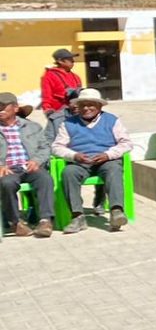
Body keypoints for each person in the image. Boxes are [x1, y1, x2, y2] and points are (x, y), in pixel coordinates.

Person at [51, 88, 131, 233]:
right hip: (80, 162)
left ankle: (116, 211)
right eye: (83, 105)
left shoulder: (112, 120)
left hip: (106, 161)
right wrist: (74, 155)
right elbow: (56, 147)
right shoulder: (68, 124)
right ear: (78, 107)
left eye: (91, 105)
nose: (87, 108)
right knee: (68, 172)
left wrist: (108, 154)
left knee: (114, 169)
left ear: (100, 106)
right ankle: (77, 216)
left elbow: (126, 143)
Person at [0, 93, 54, 237]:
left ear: (15, 108)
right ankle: (16, 222)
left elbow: (45, 147)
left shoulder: (32, 127)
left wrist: (36, 160)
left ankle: (45, 220)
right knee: (7, 183)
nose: (0, 110)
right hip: (8, 170)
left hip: (29, 166)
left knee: (45, 179)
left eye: (3, 107)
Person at [40, 48, 82, 146]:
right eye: (70, 60)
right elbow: (46, 95)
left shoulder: (76, 77)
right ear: (60, 61)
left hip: (76, 112)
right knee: (59, 139)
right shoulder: (49, 76)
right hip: (59, 114)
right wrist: (48, 110)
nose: (73, 62)